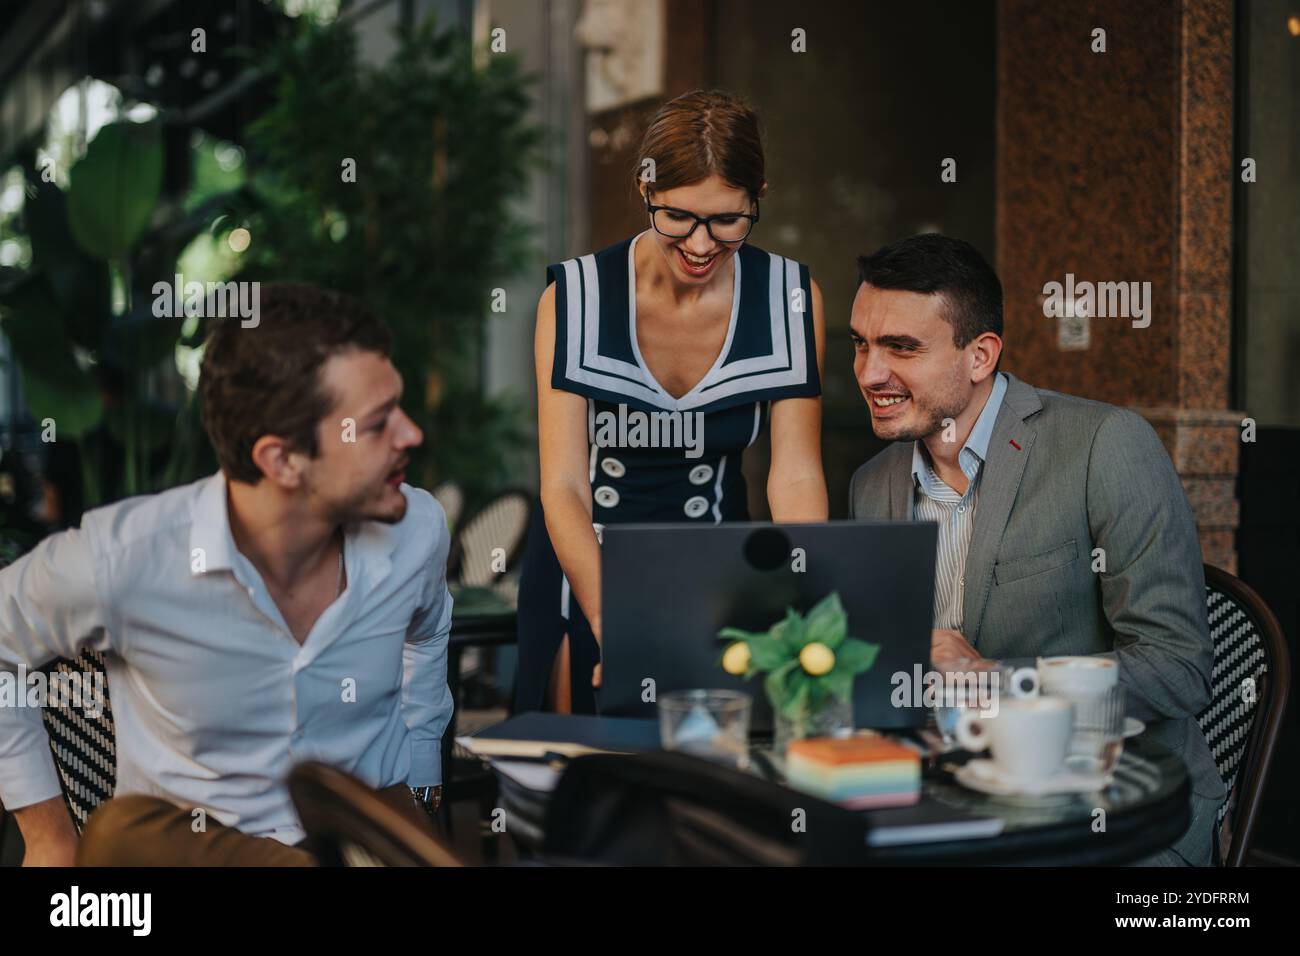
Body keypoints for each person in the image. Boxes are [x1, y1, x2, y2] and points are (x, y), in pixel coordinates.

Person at [0, 284, 452, 866]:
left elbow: (428, 632)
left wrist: (421, 781)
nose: (411, 434)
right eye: (377, 423)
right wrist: (48, 836)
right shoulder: (128, 559)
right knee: (123, 836)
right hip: (193, 851)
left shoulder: (416, 531)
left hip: (362, 836)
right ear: (281, 460)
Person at [846, 233, 1225, 866]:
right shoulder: (871, 483)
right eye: (860, 344)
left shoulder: (1106, 445)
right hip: (944, 806)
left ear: (981, 355)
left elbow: (1178, 668)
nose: (869, 373)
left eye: (901, 348)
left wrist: (996, 682)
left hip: (1111, 816)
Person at [517, 89, 828, 715]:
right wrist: (613, 616)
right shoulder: (574, 299)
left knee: (713, 767)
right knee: (584, 776)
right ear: (644, 189)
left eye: (728, 220)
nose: (700, 244)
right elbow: (564, 486)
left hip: (718, 572)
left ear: (758, 195)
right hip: (588, 564)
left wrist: (797, 598)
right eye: (678, 216)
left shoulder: (791, 297)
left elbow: (793, 474)